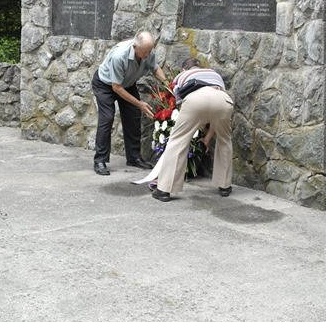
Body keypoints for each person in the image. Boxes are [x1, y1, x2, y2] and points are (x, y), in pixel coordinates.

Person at [151, 58, 234, 202]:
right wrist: (207, 138)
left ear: (184, 69)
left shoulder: (181, 76)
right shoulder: (214, 73)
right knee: (225, 139)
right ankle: (225, 186)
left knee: (177, 140)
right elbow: (215, 114)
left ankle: (164, 189)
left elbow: (180, 104)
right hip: (223, 100)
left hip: (196, 100)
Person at [91, 31, 167, 176]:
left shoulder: (147, 51)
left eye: (150, 51)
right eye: (145, 52)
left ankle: (134, 158)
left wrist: (167, 84)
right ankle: (100, 160)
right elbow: (116, 87)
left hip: (127, 83)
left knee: (133, 116)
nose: (148, 54)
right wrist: (140, 103)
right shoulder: (119, 56)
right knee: (107, 118)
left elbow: (155, 68)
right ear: (135, 47)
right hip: (105, 84)